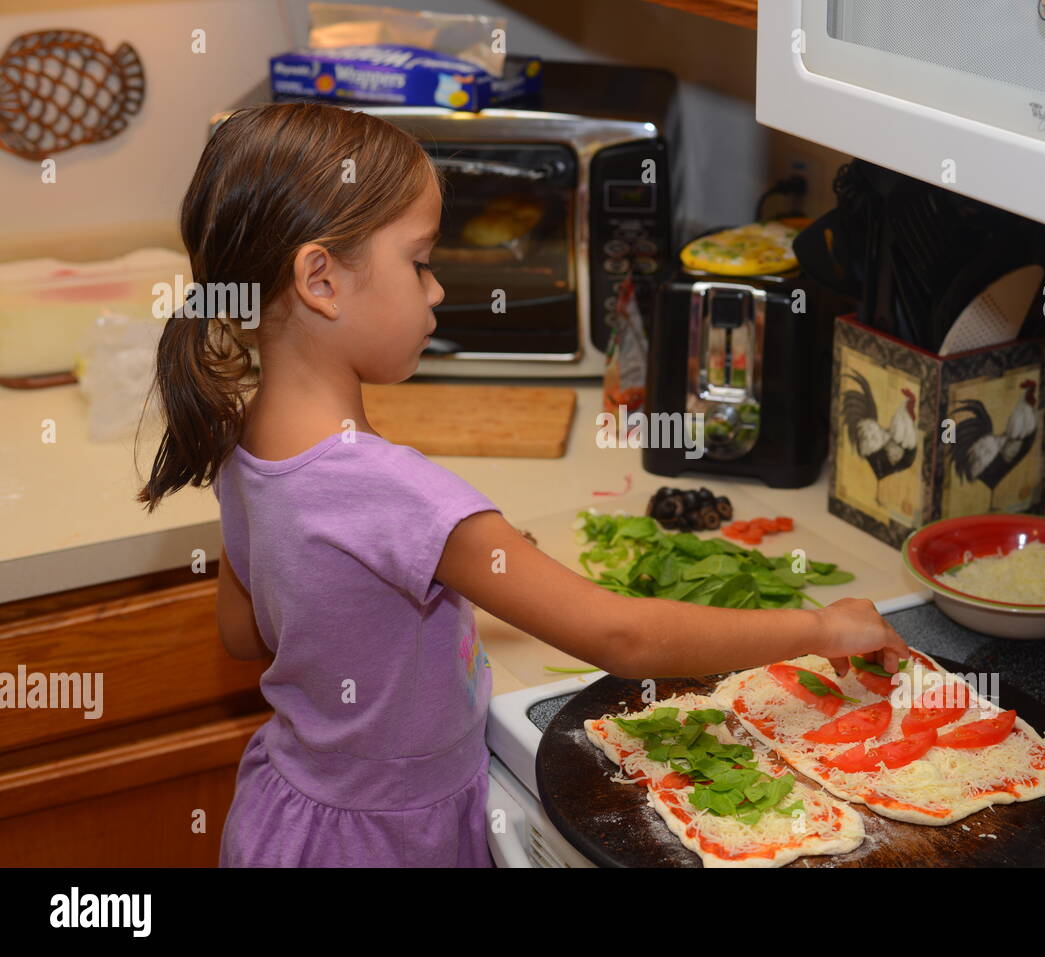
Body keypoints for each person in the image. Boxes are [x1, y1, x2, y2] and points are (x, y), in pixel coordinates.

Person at [137, 102, 910, 868]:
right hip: (391, 842)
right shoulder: (396, 489)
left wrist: (437, 591)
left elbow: (247, 634)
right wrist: (821, 629)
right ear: (321, 280)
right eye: (420, 262)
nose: (437, 290)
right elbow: (623, 636)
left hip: (287, 821)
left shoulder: (242, 443)